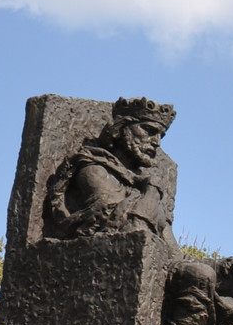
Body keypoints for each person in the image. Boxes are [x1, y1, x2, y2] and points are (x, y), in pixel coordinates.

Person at [42, 97, 176, 239]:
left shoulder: (141, 184)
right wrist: (152, 187)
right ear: (122, 127)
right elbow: (129, 230)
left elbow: (172, 251)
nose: (157, 142)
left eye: (161, 136)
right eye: (148, 130)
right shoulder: (94, 169)